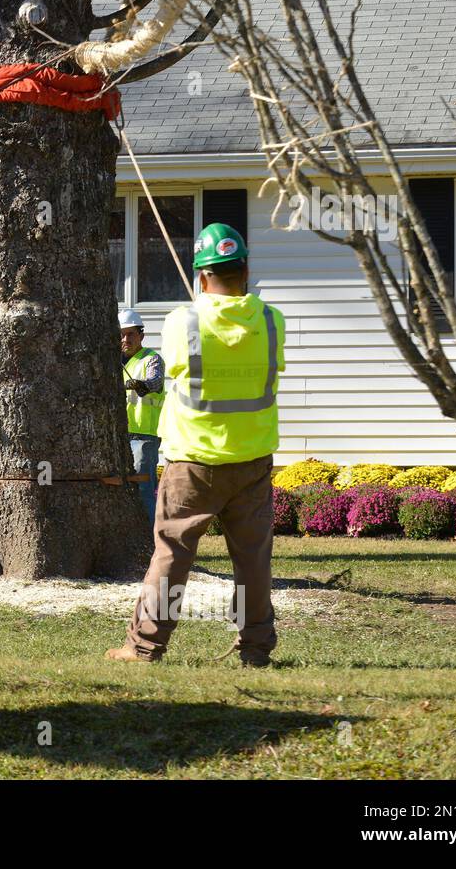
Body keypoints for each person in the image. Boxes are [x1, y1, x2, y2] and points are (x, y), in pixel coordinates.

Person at [106, 224, 286, 667]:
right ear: (245, 270)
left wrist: (202, 300)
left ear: (201, 276)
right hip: (252, 460)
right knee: (252, 562)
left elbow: (185, 362)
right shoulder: (270, 320)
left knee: (171, 556)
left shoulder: (182, 322)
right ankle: (256, 650)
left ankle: (145, 647)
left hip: (193, 462)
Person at [120, 308, 165, 526]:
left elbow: (155, 381)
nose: (125, 339)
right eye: (122, 334)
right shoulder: (113, 362)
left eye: (131, 334)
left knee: (144, 491)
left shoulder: (151, 359)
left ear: (141, 336)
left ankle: (151, 540)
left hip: (144, 436)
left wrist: (142, 385)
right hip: (118, 436)